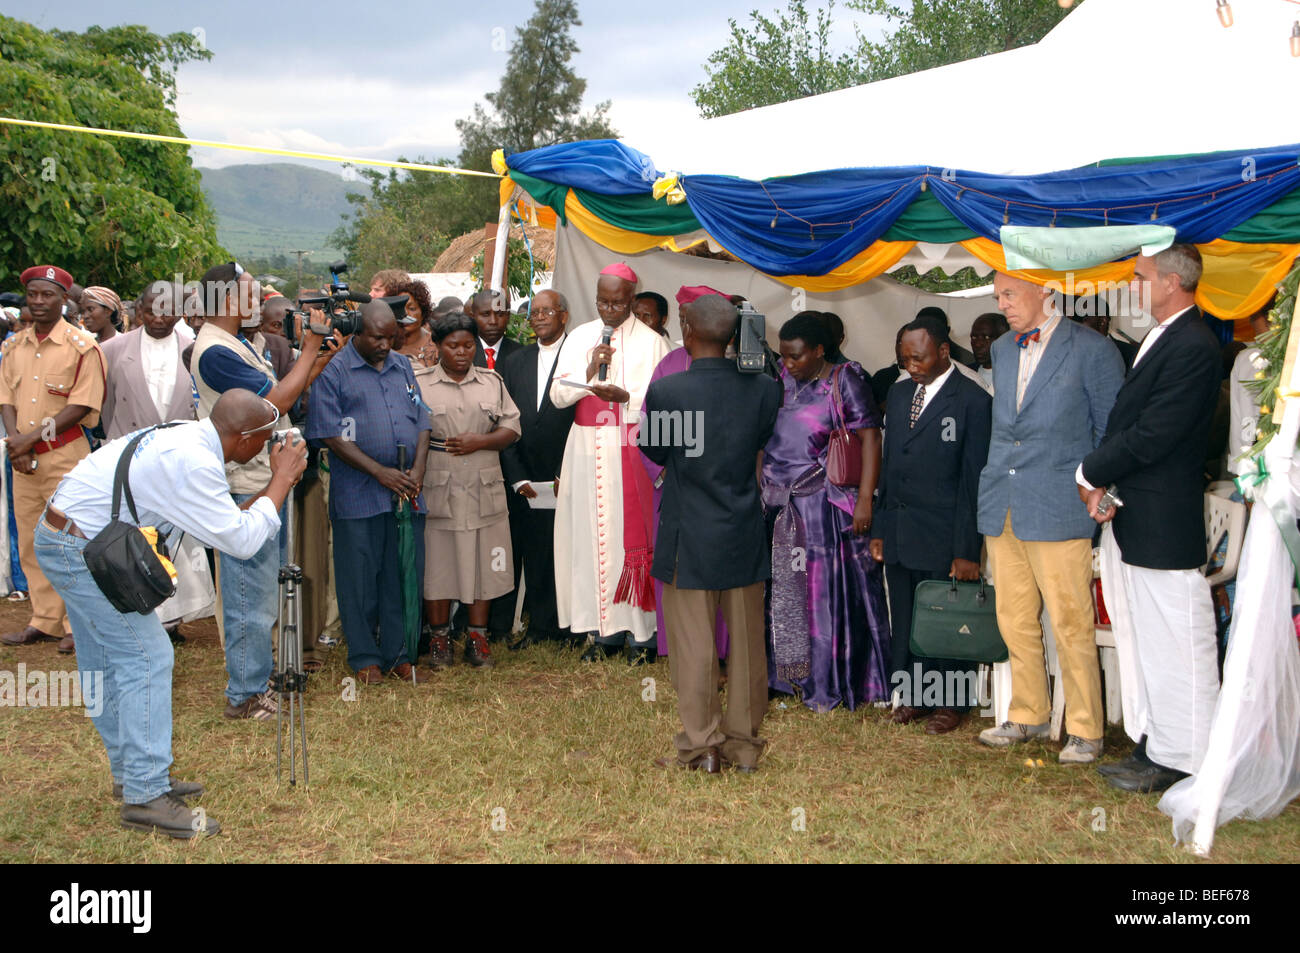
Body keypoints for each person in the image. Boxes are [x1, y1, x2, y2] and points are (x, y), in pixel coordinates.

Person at [38, 388, 308, 838]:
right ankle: (145, 797)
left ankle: (135, 776)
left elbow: (228, 522)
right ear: (241, 437)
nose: (267, 447)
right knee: (147, 657)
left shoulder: (190, 437)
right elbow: (242, 541)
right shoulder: (192, 462)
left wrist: (273, 486)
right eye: (263, 439)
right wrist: (281, 480)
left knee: (105, 663)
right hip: (80, 549)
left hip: (70, 536)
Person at [1079, 244, 1222, 792]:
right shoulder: (1162, 336)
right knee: (1150, 639)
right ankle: (1159, 744)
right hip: (1137, 511)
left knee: (1180, 639)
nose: (1133, 286)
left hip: (1164, 517)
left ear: (1170, 282)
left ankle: (1187, 756)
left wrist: (1090, 469)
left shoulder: (1194, 344)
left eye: (1140, 277)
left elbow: (1156, 434)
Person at [977, 270, 1124, 762]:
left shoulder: (1093, 349)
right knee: (1014, 618)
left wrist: (1101, 491)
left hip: (1061, 502)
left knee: (1071, 620)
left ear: (1046, 289)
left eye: (1011, 293)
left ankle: (1085, 728)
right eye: (998, 296)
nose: (1003, 304)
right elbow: (1007, 428)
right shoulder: (1000, 349)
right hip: (1004, 501)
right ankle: (1028, 713)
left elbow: (1111, 432)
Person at [642, 294, 781, 772]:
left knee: (694, 646)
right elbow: (759, 441)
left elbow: (656, 455)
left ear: (686, 330)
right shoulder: (765, 390)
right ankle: (743, 747)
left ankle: (703, 747)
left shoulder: (668, 392)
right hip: (742, 528)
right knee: (746, 646)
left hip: (688, 534)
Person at [190, 261, 335, 720]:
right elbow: (274, 404)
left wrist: (321, 355)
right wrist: (309, 347)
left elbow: (281, 390)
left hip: (267, 477)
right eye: (253, 294)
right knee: (247, 594)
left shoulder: (239, 344)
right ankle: (246, 693)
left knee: (263, 587)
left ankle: (259, 676)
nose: (262, 301)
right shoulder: (214, 352)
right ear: (229, 300)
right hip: (246, 485)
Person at [762, 312, 890, 711]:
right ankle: (787, 679)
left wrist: (866, 498)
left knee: (820, 599)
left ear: (819, 350)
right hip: (780, 502)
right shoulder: (781, 381)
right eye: (784, 356)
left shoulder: (844, 379)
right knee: (784, 594)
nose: (789, 363)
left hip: (822, 504)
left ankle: (825, 685)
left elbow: (870, 438)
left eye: (797, 356)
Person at [871, 315, 992, 733]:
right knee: (906, 615)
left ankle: (952, 703)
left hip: (944, 532)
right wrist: (881, 529)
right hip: (901, 528)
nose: (911, 366)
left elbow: (972, 481)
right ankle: (915, 695)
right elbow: (889, 467)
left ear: (943, 351)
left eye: (918, 357)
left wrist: (966, 550)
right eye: (904, 358)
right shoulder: (900, 393)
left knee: (945, 615)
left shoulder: (973, 402)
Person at [550, 263, 673, 662]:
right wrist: (588, 375)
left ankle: (641, 636)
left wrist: (627, 401)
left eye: (617, 303)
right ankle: (603, 634)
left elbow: (666, 403)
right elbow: (556, 397)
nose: (608, 310)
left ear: (632, 300)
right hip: (585, 449)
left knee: (630, 541)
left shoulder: (654, 342)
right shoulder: (581, 337)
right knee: (590, 538)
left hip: (631, 450)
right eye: (602, 301)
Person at [306, 301, 429, 684]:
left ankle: (399, 653)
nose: (385, 345)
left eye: (391, 338)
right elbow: (328, 431)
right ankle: (364, 658)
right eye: (377, 337)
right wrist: (380, 472)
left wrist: (418, 469)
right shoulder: (335, 372)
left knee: (400, 573)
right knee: (359, 579)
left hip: (406, 492)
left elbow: (422, 418)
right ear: (358, 332)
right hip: (359, 493)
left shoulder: (401, 365)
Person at [0, 265, 106, 655]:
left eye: (47, 295)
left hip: (65, 456)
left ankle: (76, 623)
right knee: (30, 541)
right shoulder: (13, 347)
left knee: (70, 541)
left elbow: (80, 406)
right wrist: (17, 446)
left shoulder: (82, 347)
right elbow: (5, 399)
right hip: (23, 461)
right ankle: (43, 619)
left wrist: (27, 441)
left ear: (64, 300)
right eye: (33, 295)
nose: (39, 302)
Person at [416, 311, 521, 668]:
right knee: (438, 564)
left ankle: (478, 638)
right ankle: (440, 639)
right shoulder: (420, 383)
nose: (462, 352)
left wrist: (482, 441)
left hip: (484, 481)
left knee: (485, 563)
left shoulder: (492, 382)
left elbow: (512, 428)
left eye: (467, 344)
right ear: (438, 346)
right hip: (439, 482)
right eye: (452, 345)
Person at [497, 289, 576, 649]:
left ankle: (569, 629)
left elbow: (582, 418)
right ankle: (540, 627)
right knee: (534, 551)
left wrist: (569, 471)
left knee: (568, 554)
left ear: (564, 316)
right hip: (526, 477)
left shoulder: (579, 356)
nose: (540, 317)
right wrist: (517, 477)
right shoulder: (514, 361)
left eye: (548, 311)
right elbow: (503, 421)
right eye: (535, 313)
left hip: (568, 474)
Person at [468, 289, 522, 372]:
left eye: (500, 314)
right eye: (486, 314)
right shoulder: (462, 353)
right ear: (473, 317)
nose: (493, 321)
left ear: (508, 317)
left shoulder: (521, 354)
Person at [968, 311, 1009, 392]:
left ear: (1004, 339)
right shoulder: (965, 374)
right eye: (974, 337)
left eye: (986, 337)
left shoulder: (1016, 375)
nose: (978, 344)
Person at [392, 279, 433, 361]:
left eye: (412, 308)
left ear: (423, 312)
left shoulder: (435, 346)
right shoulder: (386, 345)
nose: (405, 314)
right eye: (400, 309)